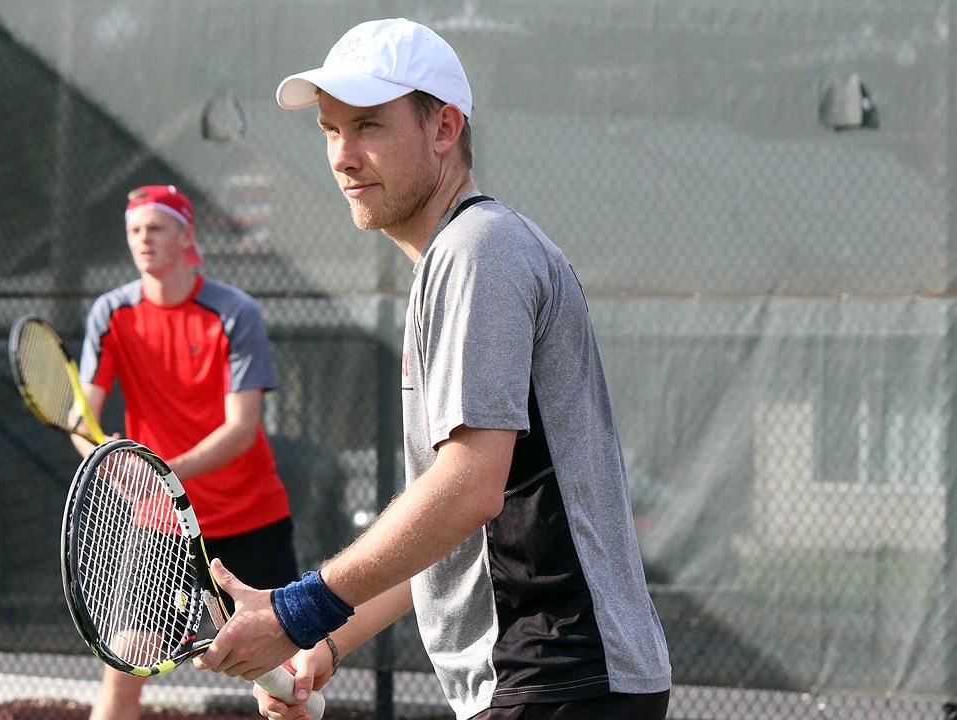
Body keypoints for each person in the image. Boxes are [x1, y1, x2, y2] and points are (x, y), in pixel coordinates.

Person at [193, 18, 672, 720]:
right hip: (555, 681)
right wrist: (320, 646)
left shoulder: (478, 252)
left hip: (557, 677)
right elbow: (446, 530)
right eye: (330, 130)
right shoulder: (459, 259)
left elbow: (466, 491)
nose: (343, 156)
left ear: (444, 129)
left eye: (368, 127)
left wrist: (295, 612)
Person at [73, 185, 300, 720]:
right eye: (133, 230)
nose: (143, 239)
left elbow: (241, 428)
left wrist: (163, 471)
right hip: (160, 531)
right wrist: (107, 462)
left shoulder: (234, 313)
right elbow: (83, 422)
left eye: (155, 227)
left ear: (187, 235)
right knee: (126, 662)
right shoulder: (111, 314)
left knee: (285, 682)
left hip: (252, 520)